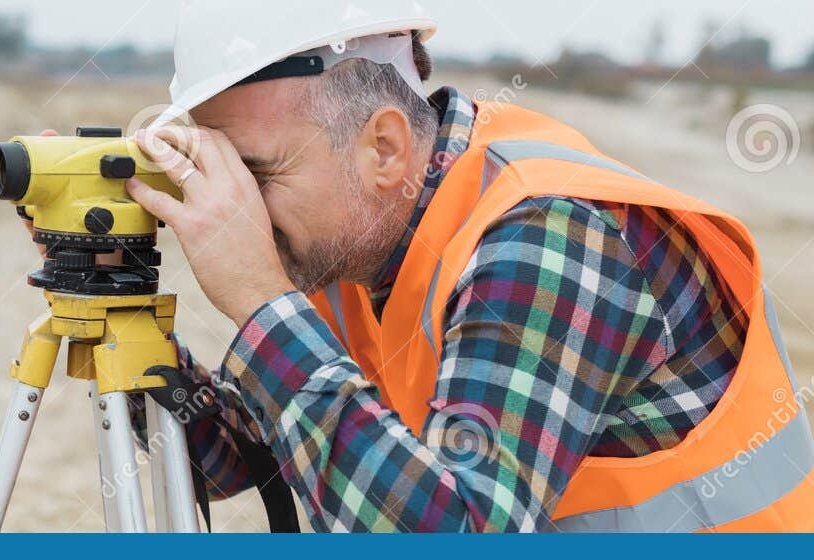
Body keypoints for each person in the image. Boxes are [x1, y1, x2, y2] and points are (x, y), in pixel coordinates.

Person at [125, 0, 813, 531]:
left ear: (386, 147)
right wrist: (122, 315)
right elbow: (248, 457)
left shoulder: (547, 234)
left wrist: (259, 303)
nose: (241, 205)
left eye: (255, 173)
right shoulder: (350, 243)